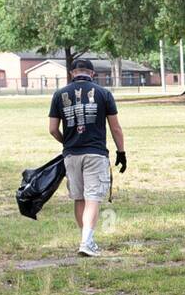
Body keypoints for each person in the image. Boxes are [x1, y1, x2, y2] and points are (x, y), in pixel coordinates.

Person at [48, 57, 127, 256]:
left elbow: (52, 129)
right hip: (96, 153)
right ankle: (86, 242)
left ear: (71, 74)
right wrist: (121, 152)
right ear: (92, 74)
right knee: (93, 198)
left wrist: (67, 142)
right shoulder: (104, 93)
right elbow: (115, 127)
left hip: (72, 154)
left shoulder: (59, 94)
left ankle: (86, 240)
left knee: (79, 198)